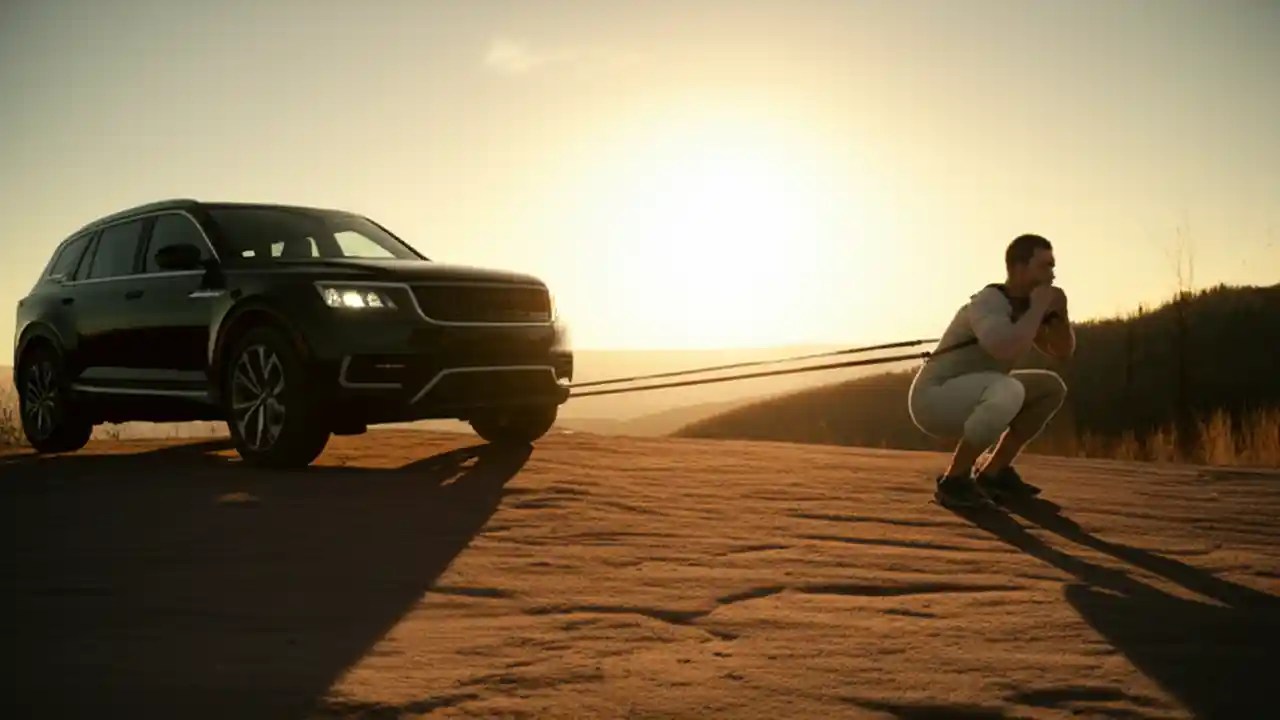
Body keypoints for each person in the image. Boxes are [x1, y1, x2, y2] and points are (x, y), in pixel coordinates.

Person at [908, 233, 1076, 509]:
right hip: (933, 399)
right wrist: (1037, 310)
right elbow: (1005, 347)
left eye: (1053, 266)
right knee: (1008, 388)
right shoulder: (989, 302)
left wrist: (1061, 314)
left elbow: (1062, 352)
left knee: (1050, 387)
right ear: (1020, 268)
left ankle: (993, 473)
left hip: (978, 392)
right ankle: (955, 480)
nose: (1052, 274)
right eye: (1045, 266)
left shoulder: (1028, 308)